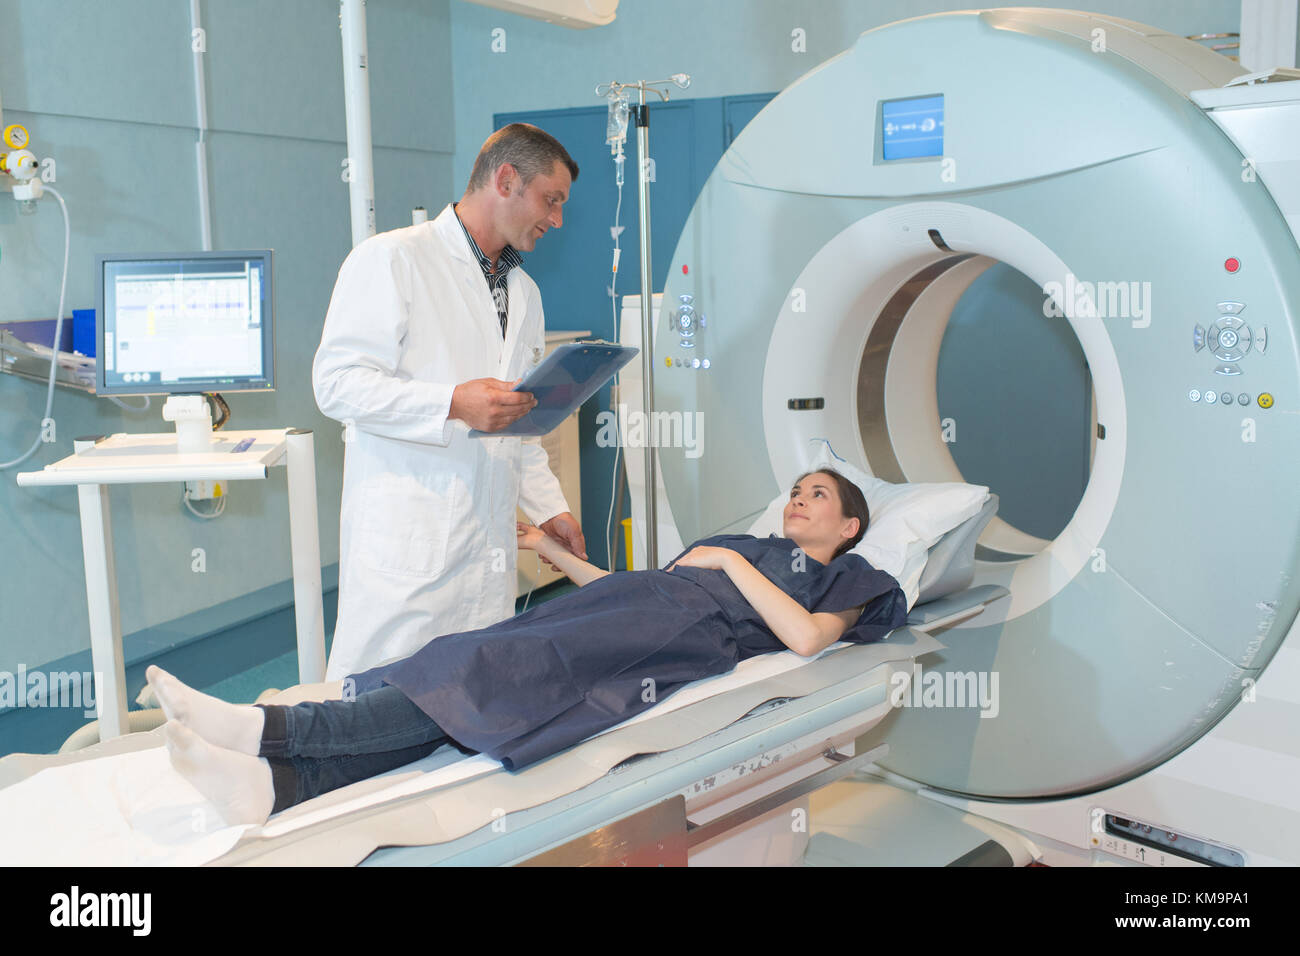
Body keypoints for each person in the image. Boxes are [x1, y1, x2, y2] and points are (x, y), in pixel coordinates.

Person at [149, 470, 908, 826]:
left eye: (818, 496)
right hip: (637, 606)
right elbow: (628, 586)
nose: (796, 500)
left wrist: (729, 565)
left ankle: (266, 733)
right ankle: (278, 789)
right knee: (464, 655)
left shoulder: (852, 575)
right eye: (796, 490)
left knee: (487, 675)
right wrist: (555, 552)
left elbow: (808, 641)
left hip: (683, 637)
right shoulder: (747, 541)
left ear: (848, 526)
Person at [313, 123, 588, 681]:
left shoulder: (524, 294)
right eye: (551, 200)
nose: (557, 220)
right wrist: (452, 403)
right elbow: (336, 383)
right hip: (408, 545)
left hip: (482, 549)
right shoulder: (392, 260)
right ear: (506, 179)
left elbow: (520, 423)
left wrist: (550, 508)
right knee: (376, 705)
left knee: (467, 704)